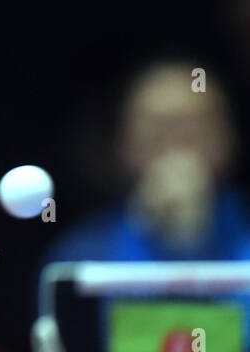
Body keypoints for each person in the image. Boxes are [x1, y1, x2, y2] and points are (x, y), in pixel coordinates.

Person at [40, 56, 250, 266]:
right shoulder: (80, 255)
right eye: (158, 133)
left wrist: (195, 240)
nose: (178, 153)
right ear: (122, 145)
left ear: (230, 139)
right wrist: (149, 229)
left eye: (194, 133)